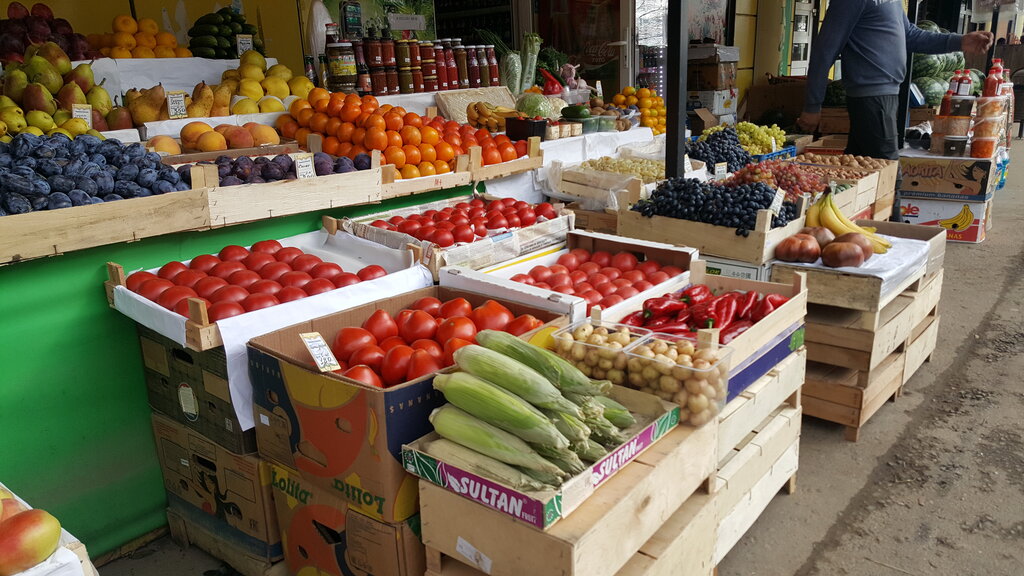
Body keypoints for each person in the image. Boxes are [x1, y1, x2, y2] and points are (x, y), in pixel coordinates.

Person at [797, 1, 993, 160]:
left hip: (888, 95)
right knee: (889, 173)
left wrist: (960, 41)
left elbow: (911, 35)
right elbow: (824, 52)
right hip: (871, 97)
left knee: (863, 169)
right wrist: (812, 106)